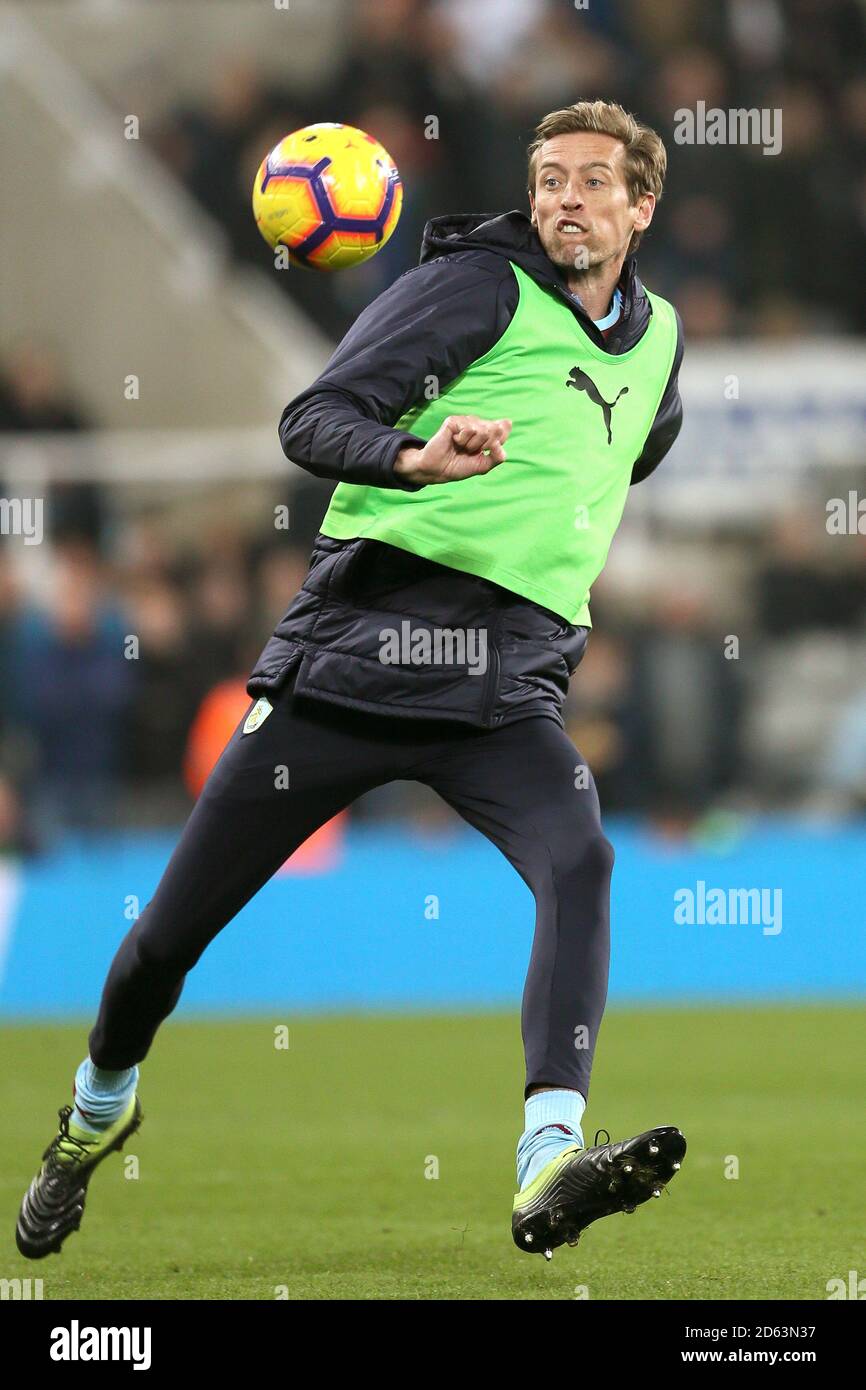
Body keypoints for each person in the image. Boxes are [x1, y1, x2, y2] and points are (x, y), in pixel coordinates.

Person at [17, 99, 686, 1264]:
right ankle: (93, 1114)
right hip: (358, 661)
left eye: (591, 180)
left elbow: (630, 443)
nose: (565, 198)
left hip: (500, 688)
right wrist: (410, 456)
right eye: (547, 178)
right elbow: (312, 416)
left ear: (640, 205)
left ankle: (546, 1159)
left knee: (580, 857)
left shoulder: (662, 341)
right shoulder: (475, 288)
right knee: (161, 948)